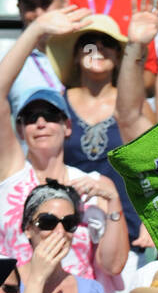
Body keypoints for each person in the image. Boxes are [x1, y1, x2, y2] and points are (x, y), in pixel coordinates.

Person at [0, 5, 130, 282]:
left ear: (67, 126)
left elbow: (112, 266)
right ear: (19, 128)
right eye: (30, 117)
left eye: (50, 116)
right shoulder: (8, 173)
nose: (40, 123)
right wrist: (35, 30)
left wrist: (113, 202)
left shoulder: (93, 184)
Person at [46, 13, 152, 247]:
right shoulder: (55, 105)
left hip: (127, 229)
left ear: (118, 55)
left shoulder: (137, 107)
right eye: (90, 42)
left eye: (109, 44)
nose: (99, 48)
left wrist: (151, 219)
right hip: (67, 232)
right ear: (75, 55)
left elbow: (153, 166)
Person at [0, 0, 66, 115]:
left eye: (46, 3)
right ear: (19, 9)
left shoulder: (86, 47)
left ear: (65, 1)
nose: (39, 14)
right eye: (30, 6)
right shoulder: (4, 61)